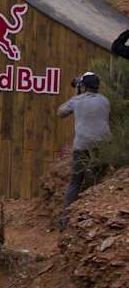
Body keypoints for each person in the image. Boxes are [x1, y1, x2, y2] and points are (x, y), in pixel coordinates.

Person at [59, 72, 110, 227]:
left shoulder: (77, 100)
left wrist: (76, 94)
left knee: (75, 182)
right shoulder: (105, 100)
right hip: (102, 146)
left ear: (83, 86)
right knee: (97, 180)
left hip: (82, 146)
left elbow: (60, 112)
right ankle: (94, 217)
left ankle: (65, 220)